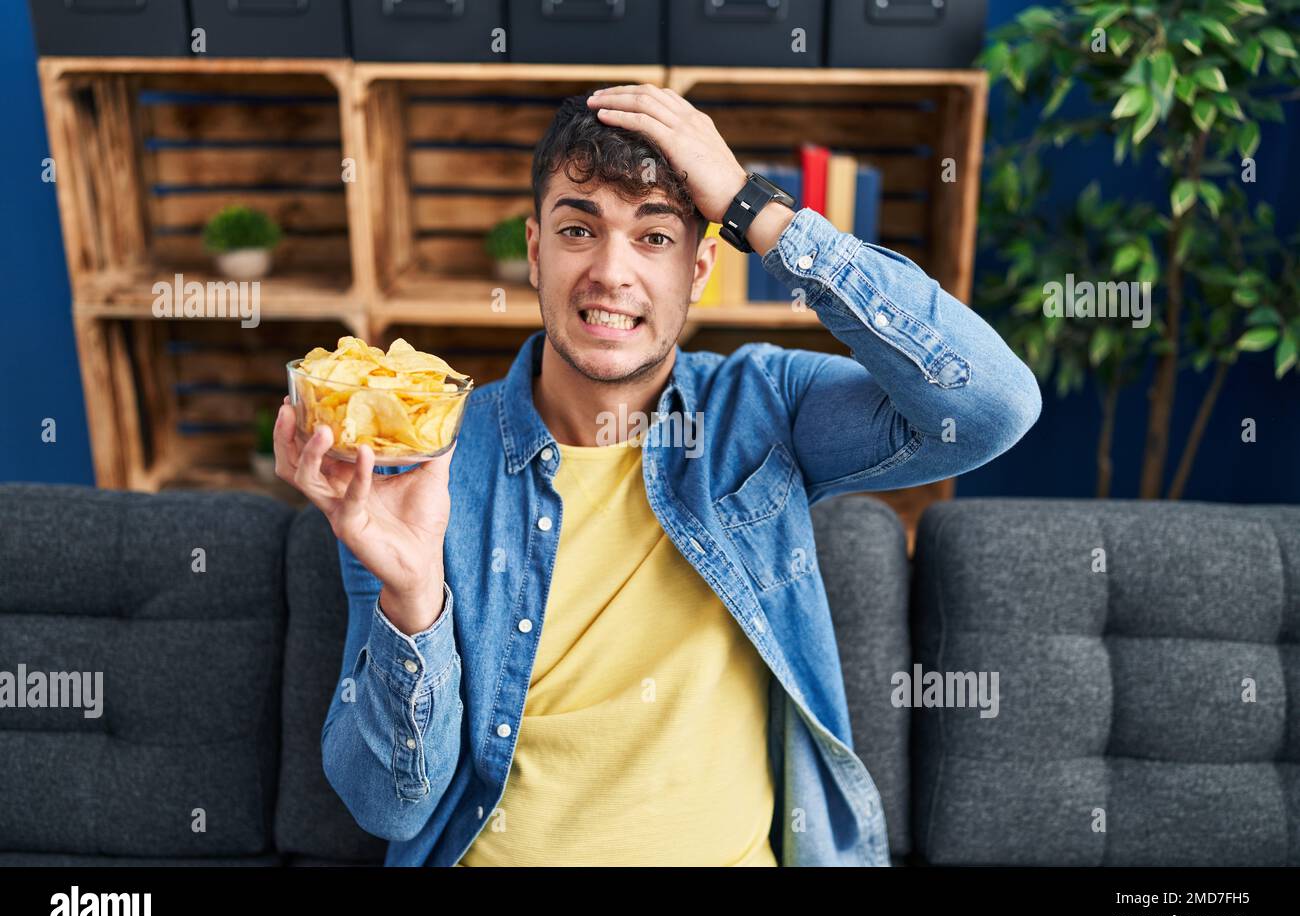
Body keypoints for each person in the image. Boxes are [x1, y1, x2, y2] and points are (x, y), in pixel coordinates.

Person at [274, 85, 1041, 866]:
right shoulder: (421, 461)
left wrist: (756, 208)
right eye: (580, 229)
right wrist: (411, 600)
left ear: (701, 267)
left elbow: (992, 405)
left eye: (655, 237)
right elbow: (389, 809)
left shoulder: (761, 408)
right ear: (536, 252)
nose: (611, 271)